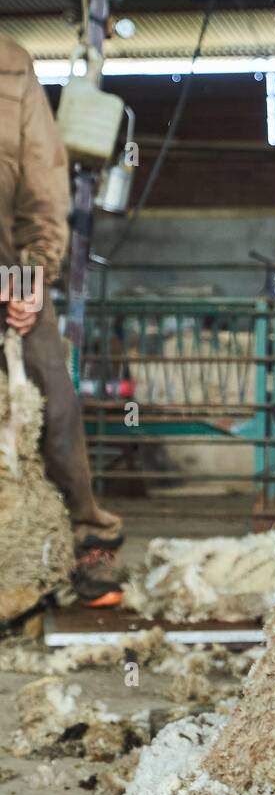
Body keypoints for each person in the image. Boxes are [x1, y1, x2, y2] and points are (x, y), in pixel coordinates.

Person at [0, 35, 123, 606]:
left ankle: (85, 539)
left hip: (6, 268)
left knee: (52, 393)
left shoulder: (9, 62)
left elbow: (40, 174)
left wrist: (29, 278)